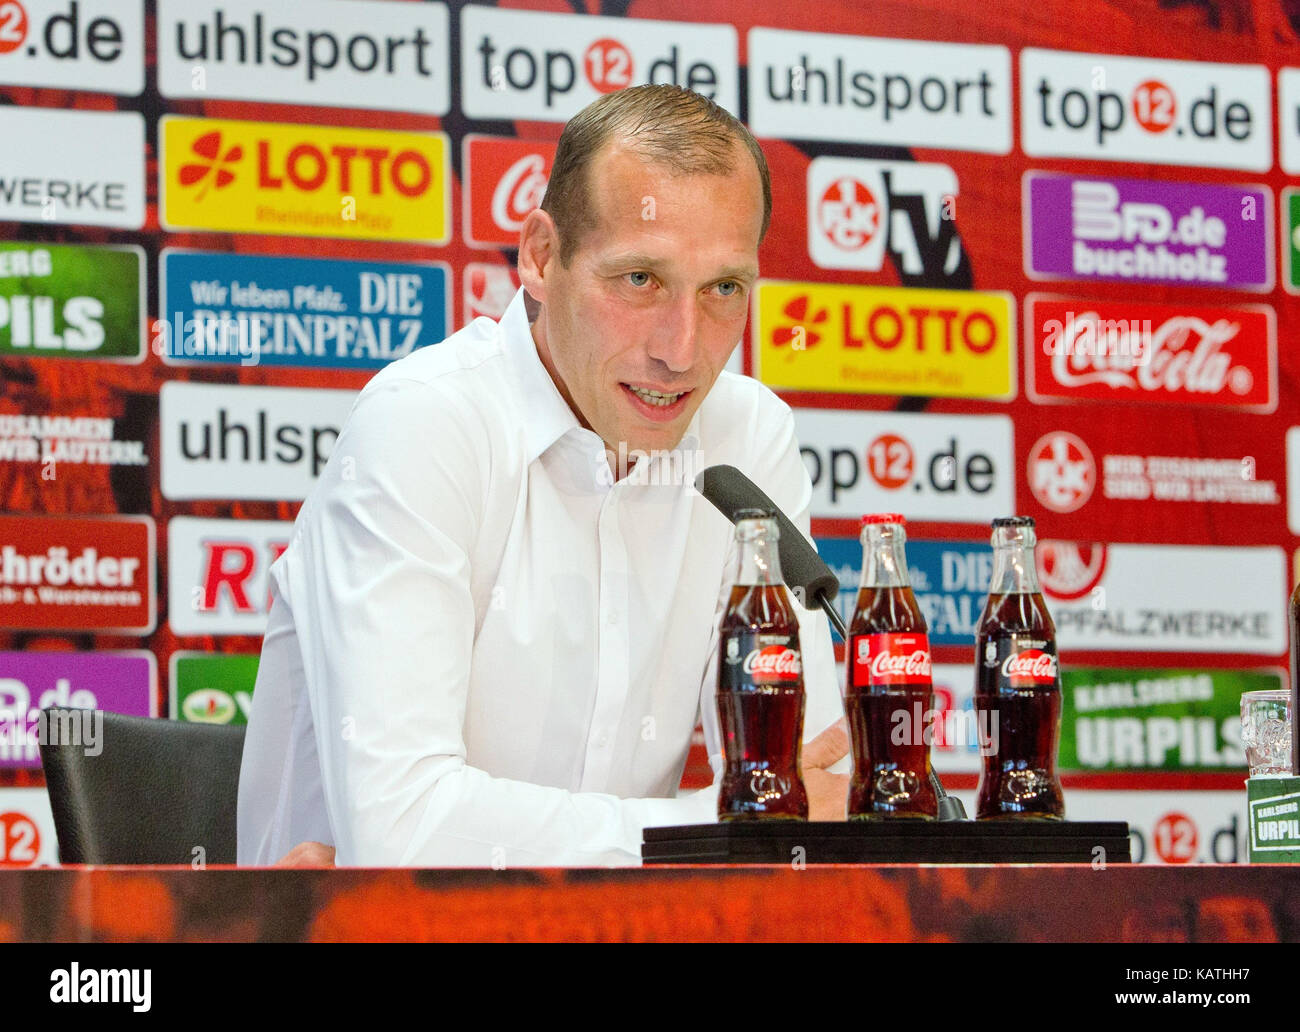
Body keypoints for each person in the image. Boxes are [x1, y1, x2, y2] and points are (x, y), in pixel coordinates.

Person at [237, 84, 849, 868]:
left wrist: (736, 831)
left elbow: (814, 784)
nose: (682, 350)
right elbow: (404, 833)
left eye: (724, 289)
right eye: (640, 281)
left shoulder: (747, 436)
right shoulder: (423, 425)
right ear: (540, 256)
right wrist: (712, 833)